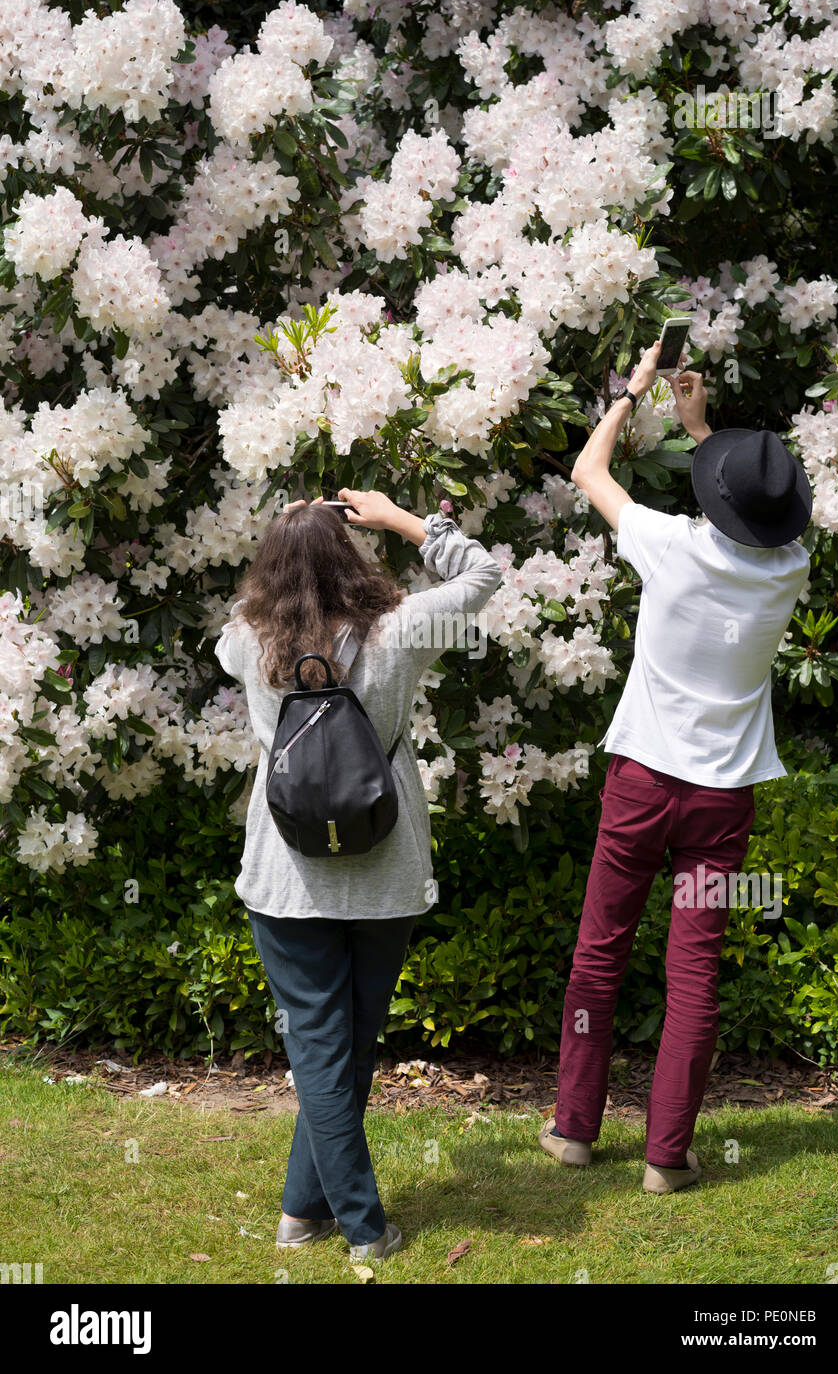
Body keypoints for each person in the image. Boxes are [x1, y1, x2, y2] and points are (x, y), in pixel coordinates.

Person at [539, 341, 812, 1193]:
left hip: (642, 786)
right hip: (721, 802)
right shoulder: (791, 571)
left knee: (599, 955)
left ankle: (576, 1131)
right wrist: (702, 432)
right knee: (693, 974)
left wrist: (635, 391)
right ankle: (666, 1158)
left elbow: (589, 469)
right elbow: (745, 522)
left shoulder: (668, 546)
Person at [214, 489, 501, 1260]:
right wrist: (405, 521)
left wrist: (291, 525)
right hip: (383, 874)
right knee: (349, 1046)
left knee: (321, 1047)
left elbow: (228, 638)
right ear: (353, 557)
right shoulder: (399, 633)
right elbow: (482, 575)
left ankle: (302, 1212)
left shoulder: (246, 638)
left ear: (271, 568)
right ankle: (364, 1230)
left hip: (286, 878)